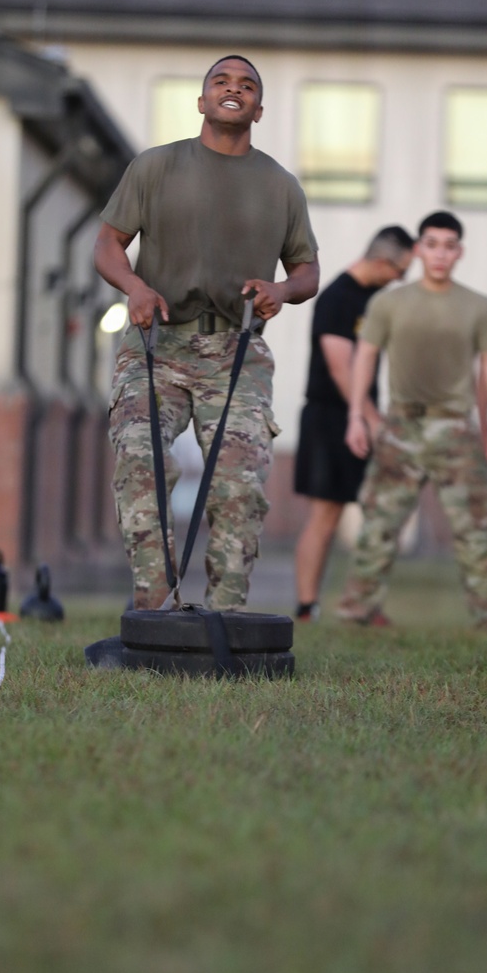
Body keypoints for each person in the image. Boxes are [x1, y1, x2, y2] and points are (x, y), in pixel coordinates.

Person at [93, 55, 319, 610]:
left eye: (247, 86)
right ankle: (154, 604)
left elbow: (307, 272)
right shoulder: (155, 167)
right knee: (140, 455)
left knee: (237, 483)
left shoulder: (279, 184)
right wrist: (134, 287)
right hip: (158, 343)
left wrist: (281, 292)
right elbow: (107, 244)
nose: (233, 89)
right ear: (201, 101)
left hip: (236, 350)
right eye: (221, 81)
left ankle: (225, 614)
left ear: (258, 110)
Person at [336, 210, 487, 628]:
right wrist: (356, 416)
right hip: (401, 428)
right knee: (379, 525)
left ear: (459, 252)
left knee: (476, 530)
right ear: (418, 250)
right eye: (431, 245)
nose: (439, 254)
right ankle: (356, 612)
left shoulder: (479, 307)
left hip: (455, 430)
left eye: (448, 246)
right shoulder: (389, 302)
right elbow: (364, 358)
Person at [293, 226, 415, 620]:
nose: (401, 279)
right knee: (326, 515)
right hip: (330, 416)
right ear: (381, 262)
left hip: (359, 414)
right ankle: (308, 606)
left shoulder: (372, 299)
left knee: (377, 512)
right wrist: (369, 418)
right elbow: (340, 367)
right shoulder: (338, 298)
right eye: (400, 271)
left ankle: (364, 604)